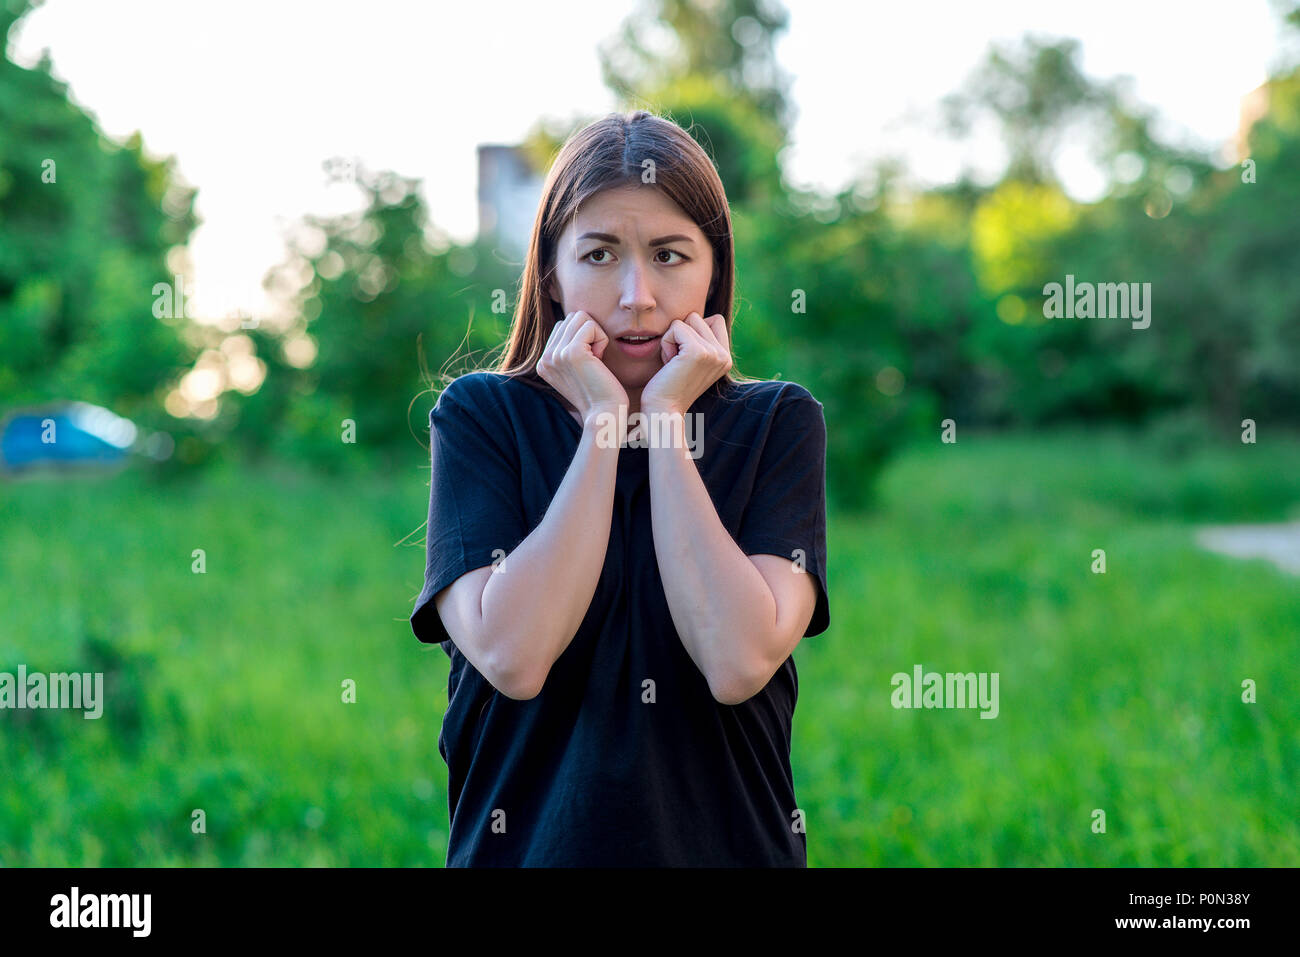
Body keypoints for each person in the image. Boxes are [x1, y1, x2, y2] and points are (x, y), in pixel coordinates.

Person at [409, 109, 830, 866]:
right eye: (600, 254)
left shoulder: (777, 424)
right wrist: (605, 421)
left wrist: (665, 418)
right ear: (550, 271)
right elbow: (514, 653)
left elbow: (737, 661)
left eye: (670, 255)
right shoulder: (482, 419)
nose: (636, 294)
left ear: (714, 270)